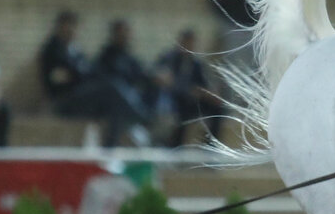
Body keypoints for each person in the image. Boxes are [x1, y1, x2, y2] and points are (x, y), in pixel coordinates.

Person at [39, 12, 150, 147]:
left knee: (114, 105)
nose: (71, 30)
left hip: (81, 97)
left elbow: (84, 73)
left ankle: (110, 147)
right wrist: (78, 74)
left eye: (74, 26)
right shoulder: (53, 50)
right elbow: (60, 79)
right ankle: (142, 116)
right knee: (111, 86)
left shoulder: (75, 51)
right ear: (59, 27)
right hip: (65, 101)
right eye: (67, 26)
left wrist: (77, 74)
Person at [152, 29, 223, 147]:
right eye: (187, 42)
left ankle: (211, 145)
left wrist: (208, 94)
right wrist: (188, 89)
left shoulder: (195, 64)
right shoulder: (169, 59)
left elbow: (203, 84)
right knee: (179, 113)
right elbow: (162, 78)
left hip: (191, 101)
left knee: (217, 107)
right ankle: (173, 144)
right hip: (173, 99)